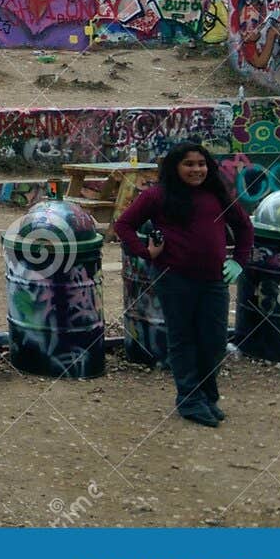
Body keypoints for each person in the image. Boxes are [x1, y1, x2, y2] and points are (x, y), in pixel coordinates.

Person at [115, 142, 254, 429]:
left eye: (201, 164)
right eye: (188, 164)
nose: (196, 170)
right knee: (183, 339)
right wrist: (144, 252)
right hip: (173, 278)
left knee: (214, 340)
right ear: (175, 167)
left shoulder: (217, 194)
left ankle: (207, 395)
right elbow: (124, 225)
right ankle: (189, 399)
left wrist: (239, 260)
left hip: (214, 280)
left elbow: (244, 227)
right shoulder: (158, 196)